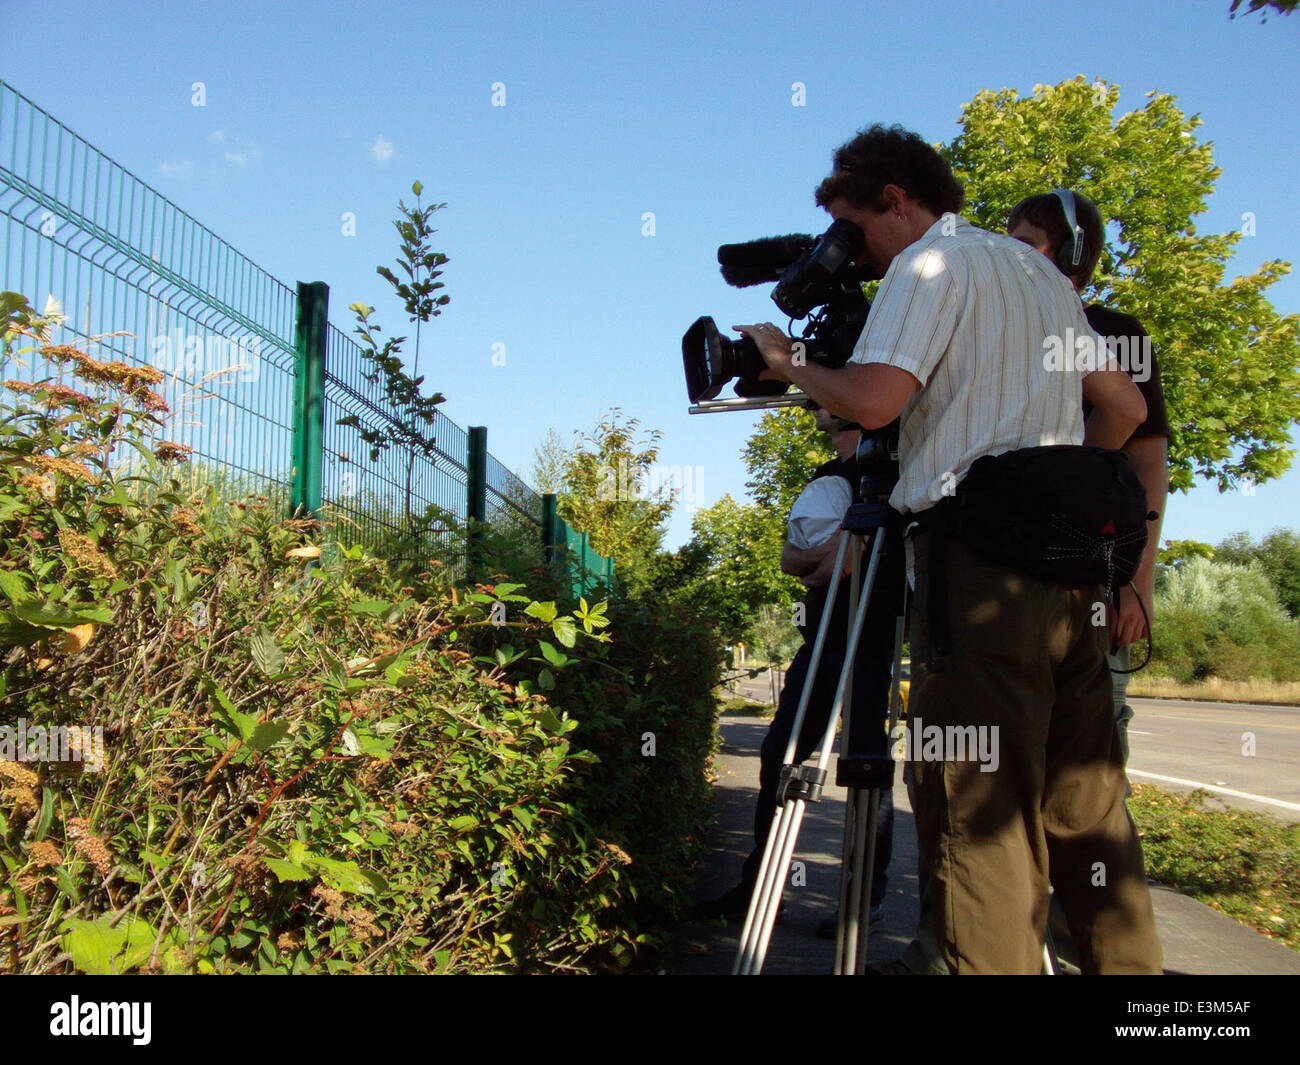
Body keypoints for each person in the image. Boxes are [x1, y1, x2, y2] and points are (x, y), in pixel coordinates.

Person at [736, 123, 1162, 974]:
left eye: (855, 229)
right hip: (1074, 572)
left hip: (976, 574)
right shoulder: (1040, 273)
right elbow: (1120, 411)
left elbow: (875, 402)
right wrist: (1051, 477)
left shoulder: (927, 263)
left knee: (977, 807)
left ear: (895, 200)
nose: (854, 255)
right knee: (1086, 808)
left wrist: (788, 364)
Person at [696, 406, 902, 926]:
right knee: (779, 756)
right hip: (824, 637)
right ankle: (760, 891)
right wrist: (833, 555)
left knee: (863, 765)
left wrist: (831, 559)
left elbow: (851, 563)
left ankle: (862, 901)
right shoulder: (826, 479)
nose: (814, 402)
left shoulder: (888, 475)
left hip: (869, 636)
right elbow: (792, 562)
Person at [1007, 190, 1171, 764]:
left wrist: (1136, 581)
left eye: (1026, 244)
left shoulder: (1115, 332)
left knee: (1092, 743)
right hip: (1006, 574)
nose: (1013, 257)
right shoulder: (995, 335)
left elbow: (1149, 463)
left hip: (1092, 572)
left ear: (1073, 256)